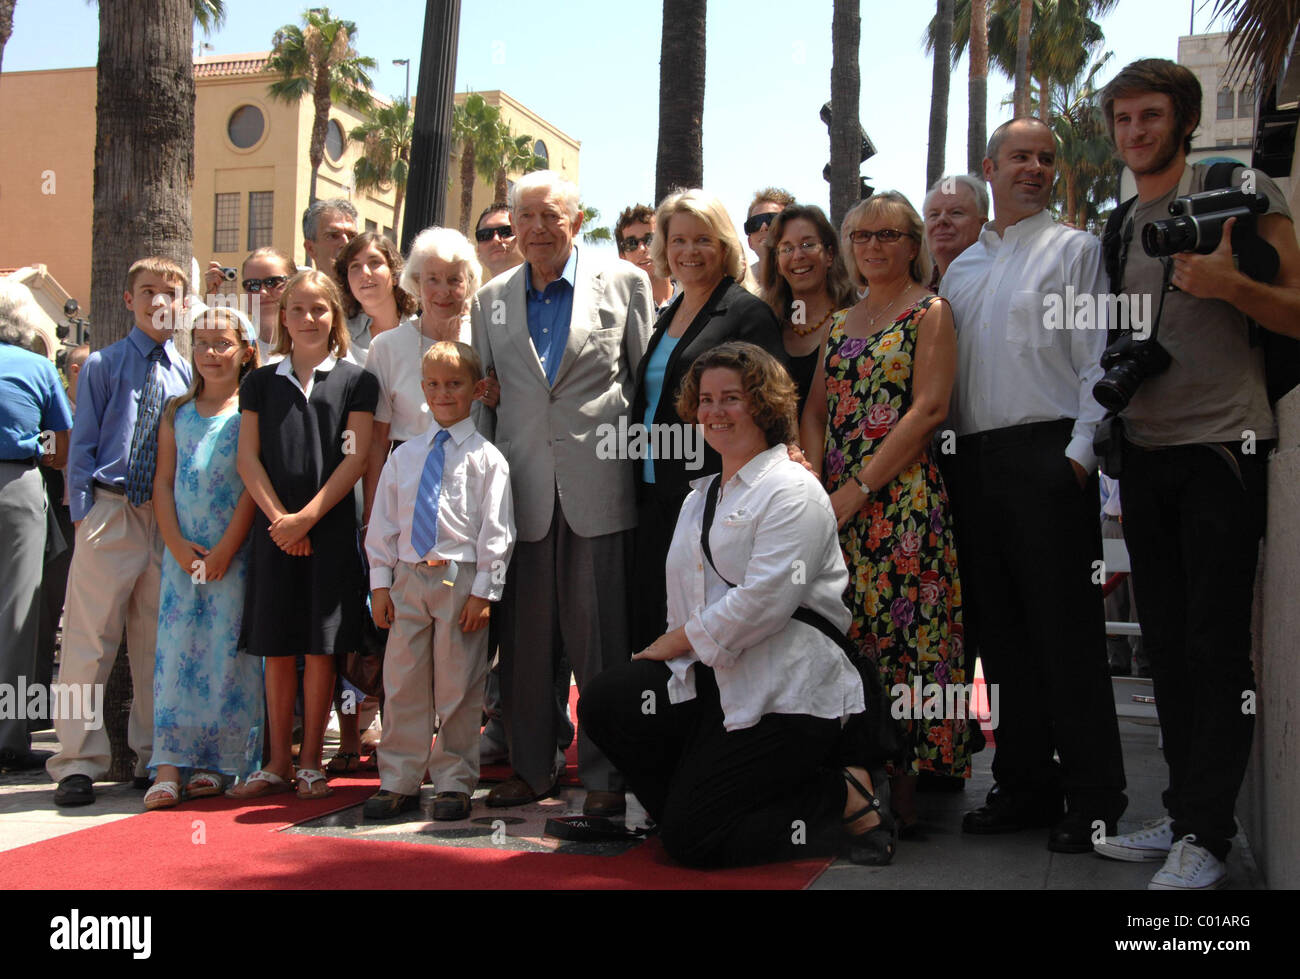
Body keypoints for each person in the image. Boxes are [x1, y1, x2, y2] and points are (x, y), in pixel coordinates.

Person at [1091, 59, 1300, 888]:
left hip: (1223, 445)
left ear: (1184, 119)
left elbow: (1295, 306)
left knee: (1215, 650)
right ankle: (1185, 815)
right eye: (1122, 119)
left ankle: (1208, 839)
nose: (1135, 132)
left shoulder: (1237, 187)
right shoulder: (1117, 223)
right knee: (1168, 649)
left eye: (1150, 116)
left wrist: (1226, 284)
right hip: (1145, 448)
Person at [581, 341, 890, 867]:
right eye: (705, 399)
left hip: (785, 690)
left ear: (764, 404)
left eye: (731, 398)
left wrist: (673, 643)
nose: (714, 412)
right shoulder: (700, 496)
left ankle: (842, 795)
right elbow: (684, 596)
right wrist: (677, 653)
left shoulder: (792, 489)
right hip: (713, 679)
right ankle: (694, 804)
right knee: (610, 700)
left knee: (693, 842)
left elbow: (764, 602)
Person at [940, 117, 1127, 851]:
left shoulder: (1076, 250)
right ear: (990, 167)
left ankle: (1096, 798)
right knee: (1004, 640)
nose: (1036, 167)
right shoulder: (961, 269)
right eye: (1020, 156)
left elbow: (1096, 358)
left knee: (1068, 639)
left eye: (1046, 158)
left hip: (1049, 458)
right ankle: (1024, 785)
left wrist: (1079, 456)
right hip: (974, 466)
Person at [469, 169, 654, 817]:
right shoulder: (489, 299)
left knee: (600, 641)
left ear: (577, 222)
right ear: (512, 225)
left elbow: (644, 389)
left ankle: (605, 776)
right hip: (519, 495)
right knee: (524, 643)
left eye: (553, 216)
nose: (539, 229)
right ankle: (530, 764)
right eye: (527, 217)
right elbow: (484, 404)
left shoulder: (625, 284)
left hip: (601, 491)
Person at [799, 191, 970, 834]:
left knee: (911, 641)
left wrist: (857, 491)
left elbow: (928, 412)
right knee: (856, 635)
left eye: (889, 235)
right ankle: (857, 773)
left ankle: (909, 780)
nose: (874, 246)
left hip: (902, 503)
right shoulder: (840, 323)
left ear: (912, 243)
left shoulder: (931, 312)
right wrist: (817, 484)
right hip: (839, 504)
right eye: (862, 235)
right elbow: (815, 409)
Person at [47, 257, 193, 806]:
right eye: (148, 291)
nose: (160, 300)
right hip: (110, 511)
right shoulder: (105, 364)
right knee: (89, 641)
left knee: (157, 642)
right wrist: (83, 513)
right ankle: (78, 761)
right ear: (129, 300)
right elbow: (82, 444)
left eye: (171, 292)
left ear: (182, 304)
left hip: (164, 519)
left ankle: (152, 754)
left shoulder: (186, 373)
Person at [231, 270, 377, 800]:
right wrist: (279, 522)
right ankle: (276, 761)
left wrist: (307, 519)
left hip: (330, 530)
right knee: (276, 645)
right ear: (284, 318)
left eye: (320, 309)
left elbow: (356, 457)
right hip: (275, 535)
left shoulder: (357, 379)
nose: (309, 319)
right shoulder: (259, 382)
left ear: (334, 316)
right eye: (298, 310)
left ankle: (313, 760)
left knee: (320, 648)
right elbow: (248, 458)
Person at [628, 188, 785, 652]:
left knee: (703, 630)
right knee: (656, 622)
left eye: (702, 240)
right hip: (655, 495)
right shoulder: (667, 313)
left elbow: (771, 407)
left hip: (712, 495)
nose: (688, 252)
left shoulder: (746, 313)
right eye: (678, 241)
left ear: (723, 246)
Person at [363, 341, 515, 821]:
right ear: (421, 389)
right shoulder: (405, 456)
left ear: (476, 389)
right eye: (433, 384)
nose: (443, 393)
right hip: (408, 578)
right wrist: (380, 583)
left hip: (459, 580)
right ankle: (400, 780)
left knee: (459, 684)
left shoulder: (488, 459)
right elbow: (383, 522)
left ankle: (453, 780)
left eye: (454, 384)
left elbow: (498, 530)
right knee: (403, 681)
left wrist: (485, 592)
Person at [144, 306, 264, 809]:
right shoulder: (177, 411)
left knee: (226, 655)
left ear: (245, 351)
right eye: (202, 343)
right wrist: (174, 543)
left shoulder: (249, 412)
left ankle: (220, 760)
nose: (211, 353)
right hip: (182, 555)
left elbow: (249, 488)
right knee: (176, 653)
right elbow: (164, 481)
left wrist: (225, 551)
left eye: (223, 343)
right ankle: (169, 760)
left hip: (231, 556)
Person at [0, 291, 72, 772]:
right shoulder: (35, 366)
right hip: (16, 485)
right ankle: (9, 737)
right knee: (16, 616)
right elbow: (60, 446)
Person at [759, 203, 857, 412]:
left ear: (829, 254)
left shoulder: (856, 321)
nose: (798, 256)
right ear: (777, 262)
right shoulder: (765, 324)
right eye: (787, 248)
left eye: (808, 245)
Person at [336, 231, 417, 369]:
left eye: (374, 262)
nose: (364, 273)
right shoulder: (338, 336)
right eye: (355, 266)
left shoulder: (420, 332)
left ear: (395, 275)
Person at [205, 248, 298, 364]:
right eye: (252, 285)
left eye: (273, 282)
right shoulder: (237, 351)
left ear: (295, 284)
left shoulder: (316, 344)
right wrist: (211, 294)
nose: (262, 292)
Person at [923, 174, 989, 285]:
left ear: (982, 224)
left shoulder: (997, 283)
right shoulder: (914, 292)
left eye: (956, 212)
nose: (941, 220)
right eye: (934, 215)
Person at [615, 203, 675, 313]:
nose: (642, 248)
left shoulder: (693, 300)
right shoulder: (617, 312)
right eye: (631, 243)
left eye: (650, 239)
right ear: (622, 256)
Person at [744, 187, 795, 285]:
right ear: (750, 242)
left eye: (772, 219)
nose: (763, 227)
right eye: (755, 223)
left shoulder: (809, 282)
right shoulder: (738, 287)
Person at [302, 198, 359, 280]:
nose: (346, 243)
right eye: (333, 236)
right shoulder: (296, 292)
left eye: (352, 236)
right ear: (310, 248)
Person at [474, 203, 525, 282]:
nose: (496, 239)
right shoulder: (480, 294)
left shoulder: (546, 288)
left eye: (506, 231)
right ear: (478, 251)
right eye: (485, 234)